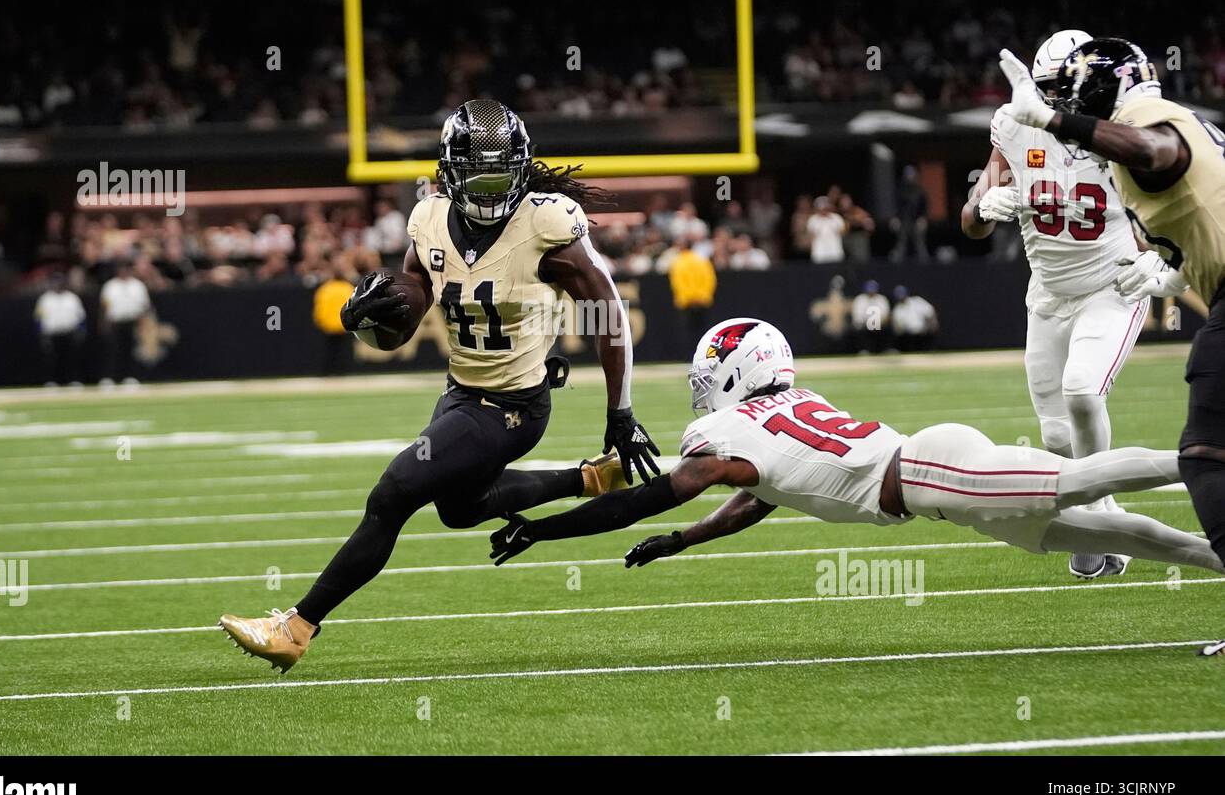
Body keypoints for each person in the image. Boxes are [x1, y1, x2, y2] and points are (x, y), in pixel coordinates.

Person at [218, 100, 660, 672]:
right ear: (451, 173)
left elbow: (610, 312)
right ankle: (589, 478)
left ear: (521, 170)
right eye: (477, 177)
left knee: (393, 495)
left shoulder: (545, 224)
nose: (489, 192)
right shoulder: (428, 219)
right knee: (459, 508)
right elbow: (413, 306)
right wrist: (376, 309)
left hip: (514, 405)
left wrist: (620, 412)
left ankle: (296, 627)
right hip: (461, 390)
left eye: (500, 177)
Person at [491, 320, 1223, 600]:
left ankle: (1198, 456)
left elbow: (651, 494)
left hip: (934, 472)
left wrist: (549, 528)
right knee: (1113, 533)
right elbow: (763, 494)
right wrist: (683, 542)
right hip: (938, 483)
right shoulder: (768, 418)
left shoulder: (729, 434)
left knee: (1075, 485)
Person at [998, 37, 1225, 654]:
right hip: (1078, 293)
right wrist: (1171, 273)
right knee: (1201, 450)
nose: (1064, 108)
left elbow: (1156, 155)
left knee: (1205, 454)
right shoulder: (1173, 126)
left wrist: (1048, 118)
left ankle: (1110, 530)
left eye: (1071, 99)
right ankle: (1109, 532)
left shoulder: (1146, 127)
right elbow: (1196, 223)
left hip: (1137, 293)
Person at [965, 30, 1169, 580]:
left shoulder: (1122, 133)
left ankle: (1103, 517)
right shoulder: (1012, 125)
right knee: (1055, 436)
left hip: (1111, 286)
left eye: (1069, 88)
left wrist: (1160, 260)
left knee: (1082, 390)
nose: (1063, 99)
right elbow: (970, 221)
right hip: (1048, 295)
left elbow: (1163, 209)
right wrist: (985, 205)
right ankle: (1102, 518)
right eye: (1053, 88)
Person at [98, 260, 150, 385]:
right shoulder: (110, 286)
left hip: (132, 322)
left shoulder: (138, 286)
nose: (124, 271)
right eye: (121, 269)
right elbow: (104, 307)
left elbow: (144, 307)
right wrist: (103, 323)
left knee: (131, 351)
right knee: (113, 352)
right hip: (115, 322)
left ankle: (131, 377)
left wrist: (143, 325)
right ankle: (110, 377)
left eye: (127, 269)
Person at [34, 271, 86, 385]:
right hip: (52, 334)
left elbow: (81, 316)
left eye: (60, 281)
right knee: (52, 360)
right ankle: (51, 381)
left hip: (69, 333)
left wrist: (81, 332)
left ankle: (73, 380)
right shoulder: (45, 299)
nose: (58, 284)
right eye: (55, 281)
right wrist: (41, 334)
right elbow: (38, 318)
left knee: (71, 359)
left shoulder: (72, 298)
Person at [667, 235, 718, 353]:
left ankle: (689, 356)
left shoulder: (678, 262)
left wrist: (688, 298)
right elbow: (710, 280)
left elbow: (678, 283)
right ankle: (706, 354)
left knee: (687, 333)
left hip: (686, 303)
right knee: (704, 332)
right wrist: (702, 296)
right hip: (703, 302)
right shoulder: (702, 260)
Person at [312, 260, 354, 376]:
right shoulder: (348, 288)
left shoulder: (325, 289)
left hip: (328, 327)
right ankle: (342, 372)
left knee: (329, 352)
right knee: (342, 352)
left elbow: (319, 308)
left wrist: (320, 322)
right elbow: (353, 308)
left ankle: (327, 373)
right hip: (343, 326)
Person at [890, 285, 938, 352]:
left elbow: (930, 312)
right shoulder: (897, 309)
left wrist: (932, 327)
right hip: (909, 338)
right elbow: (898, 328)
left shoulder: (917, 301)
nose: (901, 298)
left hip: (923, 334)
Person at [850, 279, 890, 354]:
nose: (871, 293)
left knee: (886, 329)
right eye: (869, 290)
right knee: (858, 329)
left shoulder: (881, 299)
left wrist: (876, 322)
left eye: (873, 290)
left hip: (879, 325)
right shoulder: (860, 299)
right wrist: (869, 322)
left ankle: (884, 350)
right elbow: (858, 317)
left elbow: (886, 315)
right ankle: (864, 350)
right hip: (864, 326)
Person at [806, 196, 846, 264]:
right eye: (821, 208)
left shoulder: (836, 218)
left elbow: (843, 231)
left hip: (835, 252)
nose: (823, 210)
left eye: (825, 207)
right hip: (819, 253)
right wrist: (812, 251)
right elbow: (811, 236)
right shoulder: (813, 219)